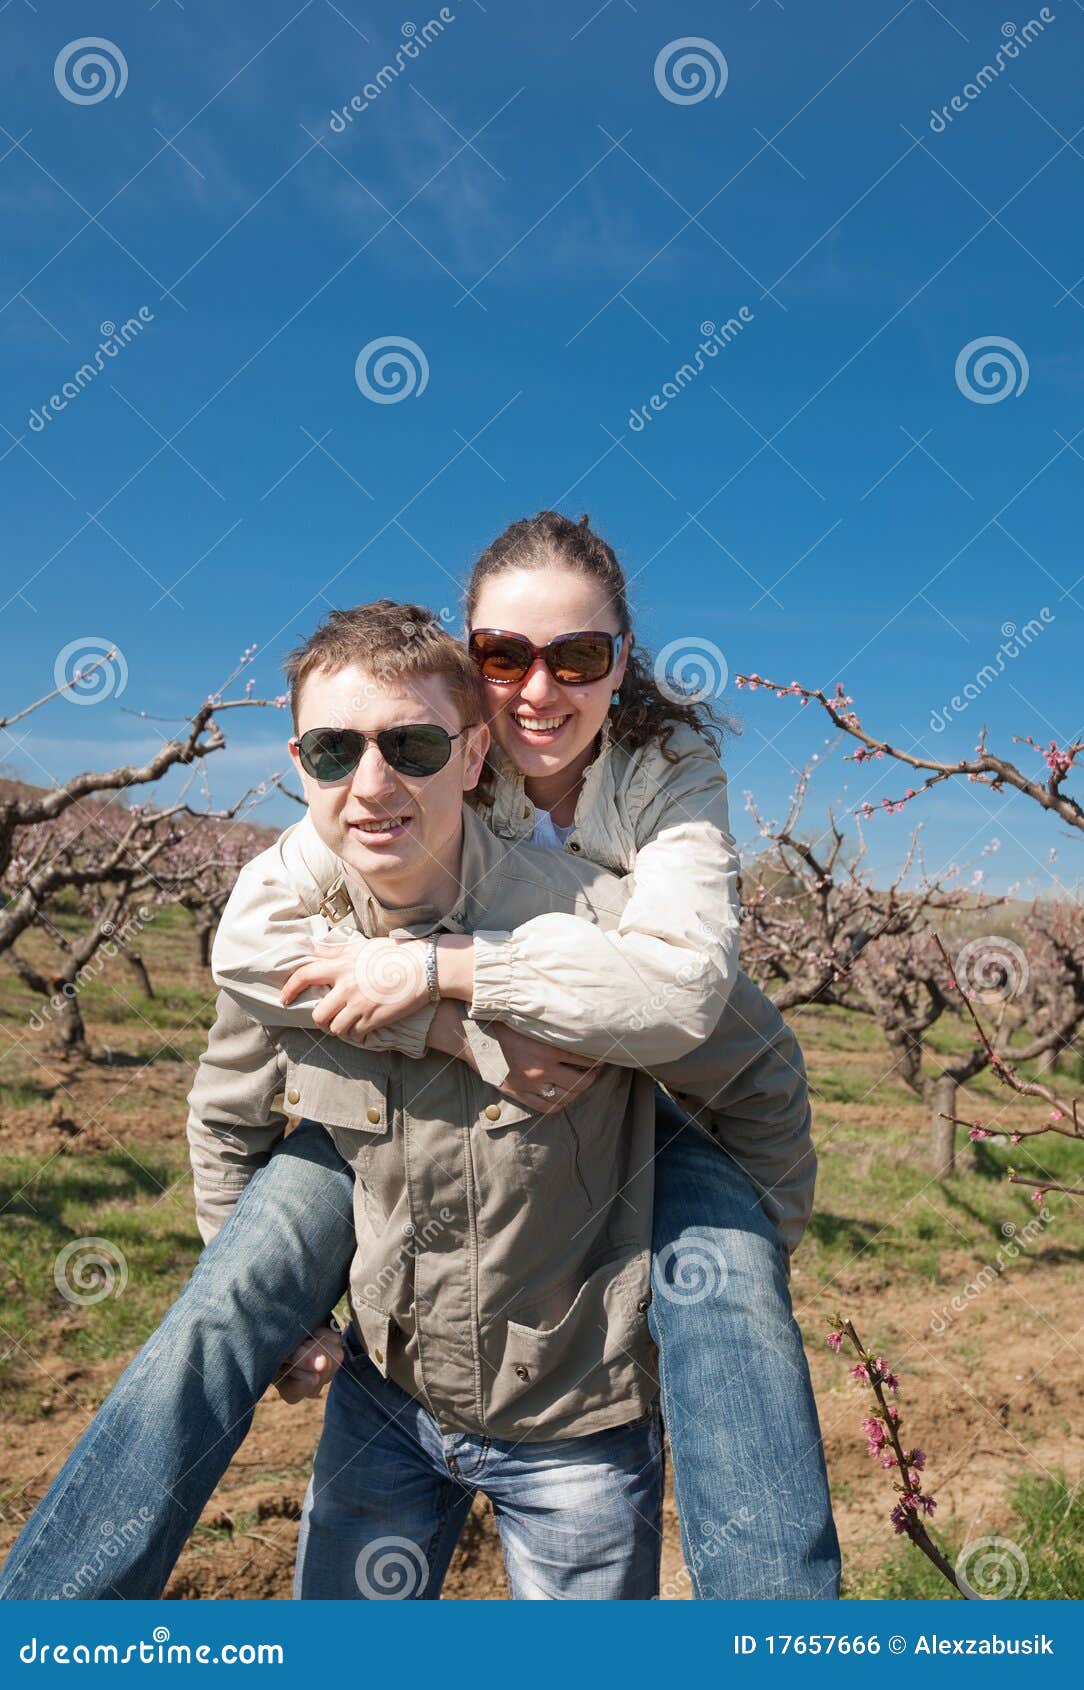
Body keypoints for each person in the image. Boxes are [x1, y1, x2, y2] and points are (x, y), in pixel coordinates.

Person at [0, 515, 839, 1601]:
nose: (538, 688)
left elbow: (695, 1003)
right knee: (233, 1291)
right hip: (376, 1143)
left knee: (725, 1284)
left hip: (633, 1092)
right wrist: (435, 1018)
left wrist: (725, 1261)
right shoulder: (393, 774)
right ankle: (49, 1627)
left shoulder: (653, 787)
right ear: (469, 675)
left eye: (577, 657)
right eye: (503, 656)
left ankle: (781, 1646)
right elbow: (252, 960)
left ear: (620, 662)